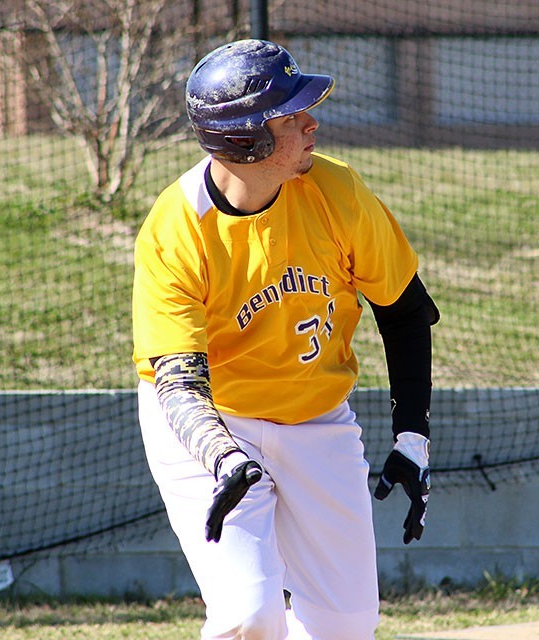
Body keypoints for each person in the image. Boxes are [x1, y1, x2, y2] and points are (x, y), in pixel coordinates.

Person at [132, 39, 439, 640]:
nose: (310, 123)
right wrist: (224, 458)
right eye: (290, 114)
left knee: (346, 625)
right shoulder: (177, 229)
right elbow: (178, 380)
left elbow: (404, 311)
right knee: (249, 616)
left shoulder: (337, 192)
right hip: (213, 427)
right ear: (245, 140)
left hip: (315, 419)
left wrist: (412, 439)